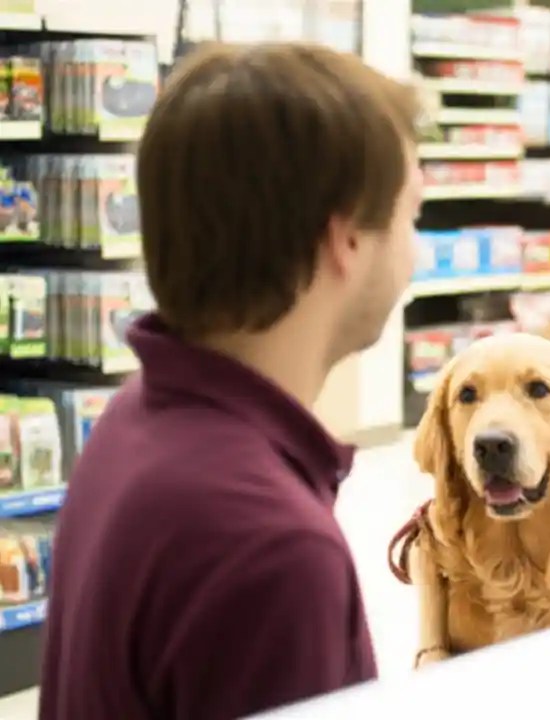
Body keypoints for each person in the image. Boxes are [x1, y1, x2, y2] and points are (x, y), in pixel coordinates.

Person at [39, 43, 421, 720]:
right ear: (345, 241)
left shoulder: (136, 422)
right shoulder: (270, 546)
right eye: (410, 216)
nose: (413, 249)